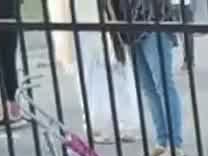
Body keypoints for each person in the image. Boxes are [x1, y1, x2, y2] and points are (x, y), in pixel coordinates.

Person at [49, 0, 141, 144]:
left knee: (114, 69)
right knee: (93, 73)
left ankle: (122, 123)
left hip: (104, 16)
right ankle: (100, 125)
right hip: (84, 18)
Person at [116, 0, 186, 156]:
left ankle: (175, 145)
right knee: (148, 88)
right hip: (130, 27)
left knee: (163, 85)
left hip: (153, 19)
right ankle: (161, 142)